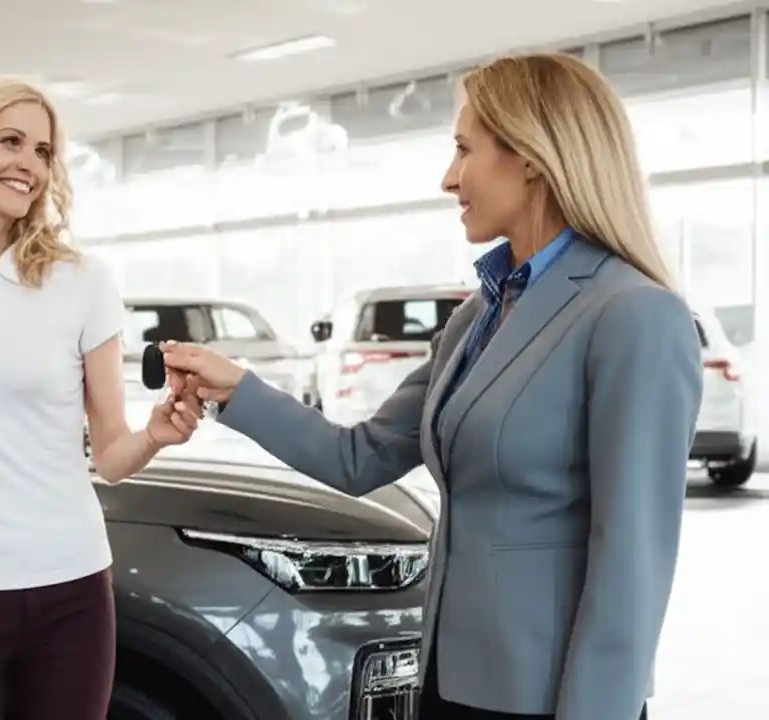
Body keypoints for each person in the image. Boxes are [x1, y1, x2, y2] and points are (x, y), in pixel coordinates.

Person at [162, 52, 701, 720]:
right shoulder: (481, 314)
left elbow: (631, 566)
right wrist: (234, 388)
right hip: (449, 685)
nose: (450, 178)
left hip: (553, 699)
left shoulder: (633, 315)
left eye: (463, 149)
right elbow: (359, 456)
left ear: (530, 156)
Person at [0, 76, 203, 720]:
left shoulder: (81, 280)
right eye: (12, 142)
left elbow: (109, 453)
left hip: (71, 591)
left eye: (44, 151)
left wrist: (156, 435)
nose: (30, 163)